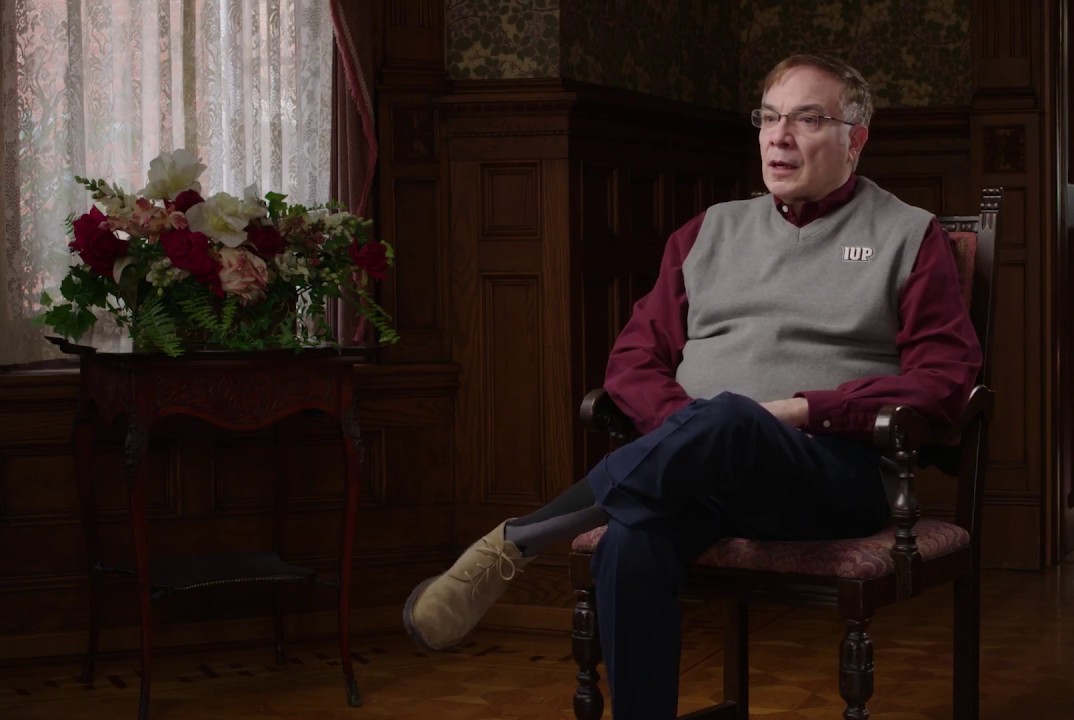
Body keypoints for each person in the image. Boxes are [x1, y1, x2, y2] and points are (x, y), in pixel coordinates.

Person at [403, 54, 981, 719]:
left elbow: (944, 381)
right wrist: (693, 429)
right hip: (699, 471)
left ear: (856, 138)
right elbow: (633, 361)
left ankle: (520, 540)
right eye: (768, 118)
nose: (778, 137)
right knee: (632, 541)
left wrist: (799, 411)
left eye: (806, 119)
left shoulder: (909, 235)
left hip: (832, 476)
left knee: (731, 417)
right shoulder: (706, 232)